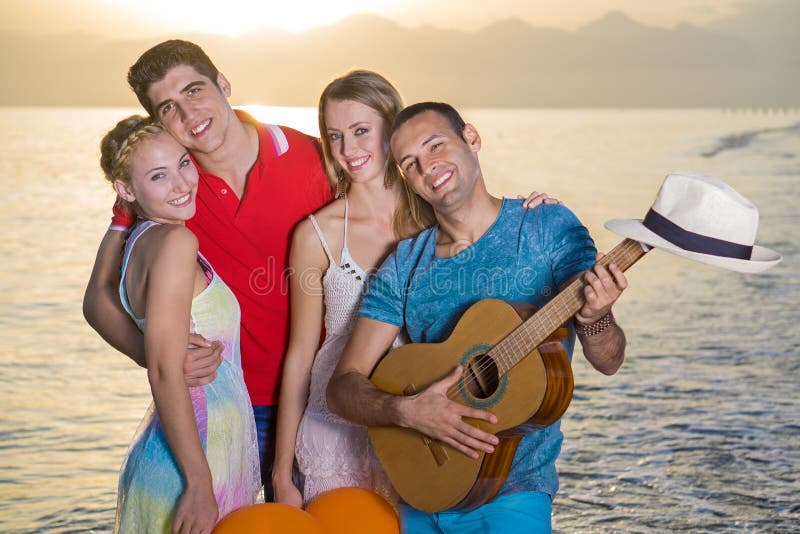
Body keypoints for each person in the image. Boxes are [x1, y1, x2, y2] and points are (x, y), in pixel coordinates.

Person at [326, 102, 628, 532]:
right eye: (410, 163)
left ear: (471, 138)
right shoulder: (405, 263)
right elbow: (342, 387)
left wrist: (597, 317)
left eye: (435, 146)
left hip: (514, 495)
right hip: (422, 494)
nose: (427, 167)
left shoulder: (545, 227)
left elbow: (609, 360)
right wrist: (406, 412)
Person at [273, 73, 560, 508]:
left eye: (361, 131)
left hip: (425, 428)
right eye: (335, 136)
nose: (348, 149)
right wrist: (281, 472)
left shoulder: (437, 217)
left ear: (394, 130)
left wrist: (535, 214)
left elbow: (497, 273)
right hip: (335, 432)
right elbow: (299, 357)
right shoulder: (316, 235)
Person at [83, 40, 332, 499]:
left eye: (194, 90)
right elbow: (98, 297)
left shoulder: (312, 158)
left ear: (223, 84)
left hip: (317, 400)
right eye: (168, 108)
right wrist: (157, 355)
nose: (188, 113)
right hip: (226, 406)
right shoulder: (171, 189)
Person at [100, 116, 261, 533]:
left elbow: (96, 299)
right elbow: (163, 369)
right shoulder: (175, 242)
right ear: (126, 190)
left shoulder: (140, 238)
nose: (182, 184)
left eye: (183, 163)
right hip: (195, 462)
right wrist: (199, 482)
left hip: (187, 455)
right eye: (159, 176)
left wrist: (119, 221)